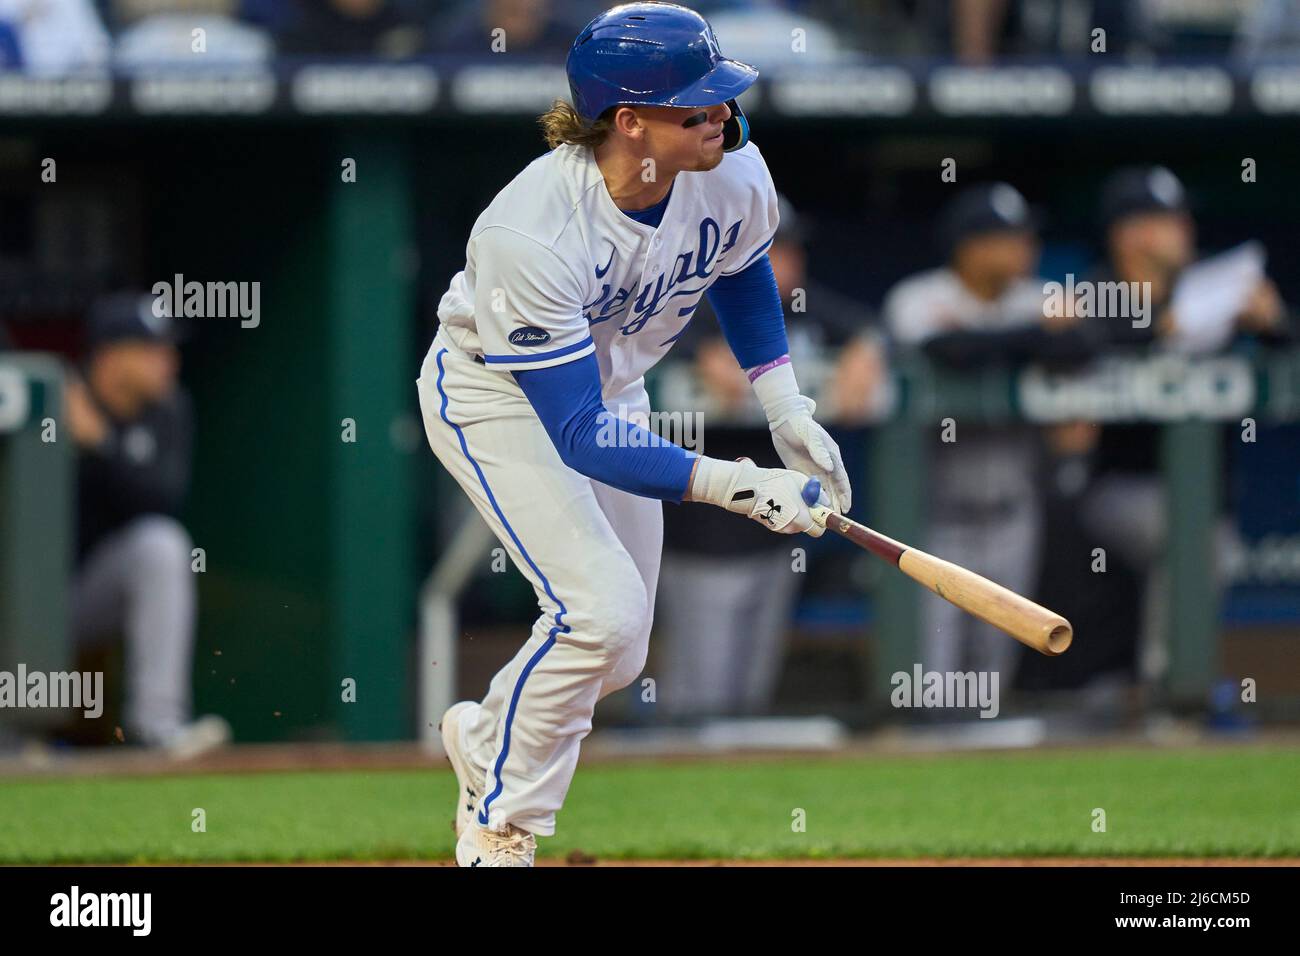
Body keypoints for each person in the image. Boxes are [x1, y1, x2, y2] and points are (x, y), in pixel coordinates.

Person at [418, 2, 851, 867]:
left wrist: (784, 407)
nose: (722, 118)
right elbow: (574, 432)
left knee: (615, 653)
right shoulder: (530, 230)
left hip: (611, 389)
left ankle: (489, 739)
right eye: (697, 106)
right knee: (600, 615)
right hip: (497, 395)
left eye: (723, 98)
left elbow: (738, 258)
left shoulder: (730, 169)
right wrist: (741, 483)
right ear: (630, 123)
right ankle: (500, 827)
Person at [655, 194, 879, 722]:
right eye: (771, 251)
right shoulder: (694, 302)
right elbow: (660, 345)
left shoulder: (805, 307)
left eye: (790, 250)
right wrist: (700, 358)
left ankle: (730, 797)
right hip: (703, 537)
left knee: (749, 696)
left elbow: (868, 327)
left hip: (776, 533)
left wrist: (866, 350)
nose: (787, 263)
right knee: (699, 696)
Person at [884, 183, 1089, 695]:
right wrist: (1031, 338)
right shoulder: (920, 296)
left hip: (1013, 512)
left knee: (993, 678)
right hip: (933, 518)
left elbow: (1082, 345)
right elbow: (948, 351)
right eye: (1006, 238)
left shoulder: (1036, 295)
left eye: (1024, 237)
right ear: (969, 247)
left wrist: (1014, 339)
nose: (1024, 248)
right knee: (932, 678)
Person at [67, 292, 230, 758]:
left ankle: (158, 727)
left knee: (161, 545)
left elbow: (161, 499)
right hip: (21, 602)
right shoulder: (47, 400)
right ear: (111, 356)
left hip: (85, 596)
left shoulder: (169, 409)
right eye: (153, 349)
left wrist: (99, 443)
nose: (170, 361)